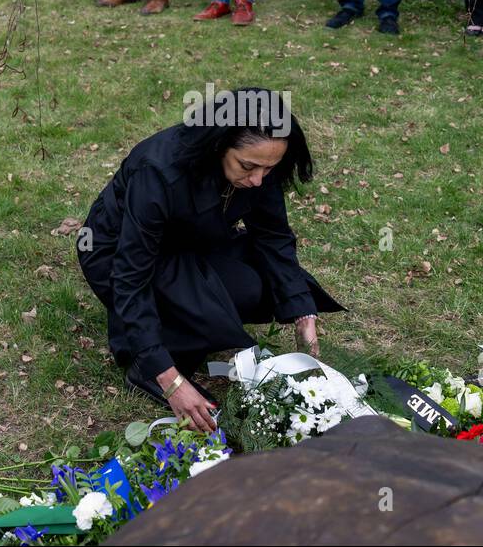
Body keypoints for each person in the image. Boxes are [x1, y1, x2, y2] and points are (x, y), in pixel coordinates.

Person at [77, 89, 344, 432]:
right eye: (248, 167)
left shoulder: (259, 161)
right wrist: (169, 379)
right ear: (218, 144)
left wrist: (301, 311)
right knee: (206, 305)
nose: (259, 180)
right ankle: (147, 364)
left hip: (193, 239)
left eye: (269, 168)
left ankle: (180, 323)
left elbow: (273, 235)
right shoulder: (158, 170)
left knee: (252, 288)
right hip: (115, 254)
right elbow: (131, 276)